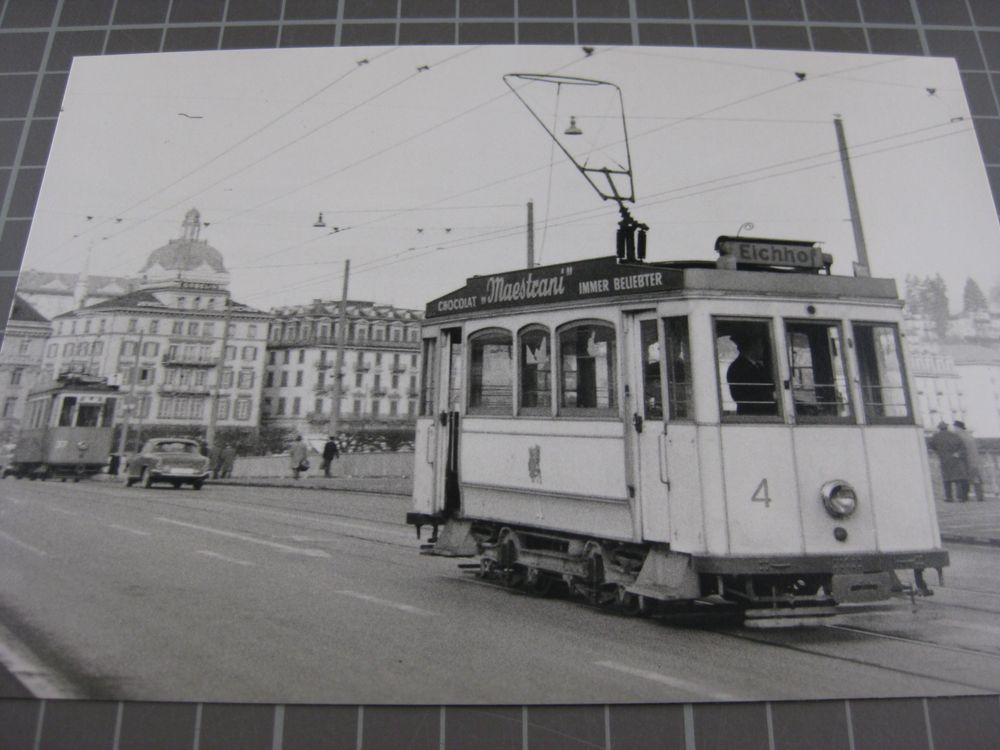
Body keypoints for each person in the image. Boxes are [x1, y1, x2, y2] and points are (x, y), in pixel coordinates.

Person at [726, 333, 776, 416]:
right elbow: (740, 396)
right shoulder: (737, 368)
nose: (763, 349)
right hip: (752, 415)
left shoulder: (759, 366)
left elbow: (771, 385)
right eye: (760, 345)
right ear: (752, 347)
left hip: (766, 413)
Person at [928, 421, 968, 502]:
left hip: (944, 460)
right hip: (955, 459)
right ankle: (960, 497)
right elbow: (963, 447)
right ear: (947, 427)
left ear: (939, 428)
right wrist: (958, 454)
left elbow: (931, 445)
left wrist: (938, 450)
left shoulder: (936, 436)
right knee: (958, 479)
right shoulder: (954, 435)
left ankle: (949, 497)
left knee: (946, 480)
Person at [953, 421, 984, 502]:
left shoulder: (958, 436)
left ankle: (962, 496)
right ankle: (980, 496)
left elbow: (959, 448)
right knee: (976, 478)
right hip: (974, 459)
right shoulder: (969, 435)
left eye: (955, 427)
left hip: (965, 459)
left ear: (958, 427)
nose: (954, 429)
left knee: (962, 478)